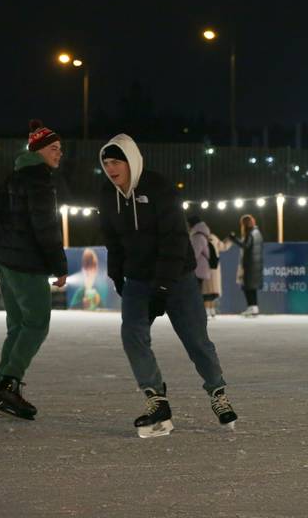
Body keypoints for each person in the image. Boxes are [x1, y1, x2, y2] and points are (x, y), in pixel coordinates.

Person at [98, 134, 237, 437]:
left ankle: (217, 392)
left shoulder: (160, 189)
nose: (111, 169)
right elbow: (113, 240)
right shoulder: (107, 197)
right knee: (132, 335)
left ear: (130, 160)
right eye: (106, 163)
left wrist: (162, 287)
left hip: (178, 278)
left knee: (196, 340)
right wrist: (116, 274)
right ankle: (156, 400)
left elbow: (174, 241)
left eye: (116, 161)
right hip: (137, 279)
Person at [0, 119, 68, 420]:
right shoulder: (39, 180)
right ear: (38, 151)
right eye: (53, 149)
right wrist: (59, 265)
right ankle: (7, 385)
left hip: (6, 263)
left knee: (17, 326)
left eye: (60, 149)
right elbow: (46, 227)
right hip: (28, 265)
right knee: (37, 324)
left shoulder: (13, 178)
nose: (59, 154)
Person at [187, 214, 217, 317]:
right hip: (201, 269)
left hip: (198, 269)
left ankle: (196, 312)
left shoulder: (198, 236)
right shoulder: (201, 234)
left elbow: (194, 254)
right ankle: (198, 311)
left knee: (195, 292)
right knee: (198, 292)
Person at [235, 214, 264, 317]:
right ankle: (254, 308)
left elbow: (246, 246)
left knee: (247, 287)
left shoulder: (250, 233)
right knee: (252, 287)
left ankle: (251, 307)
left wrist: (234, 239)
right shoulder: (258, 233)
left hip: (249, 264)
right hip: (256, 264)